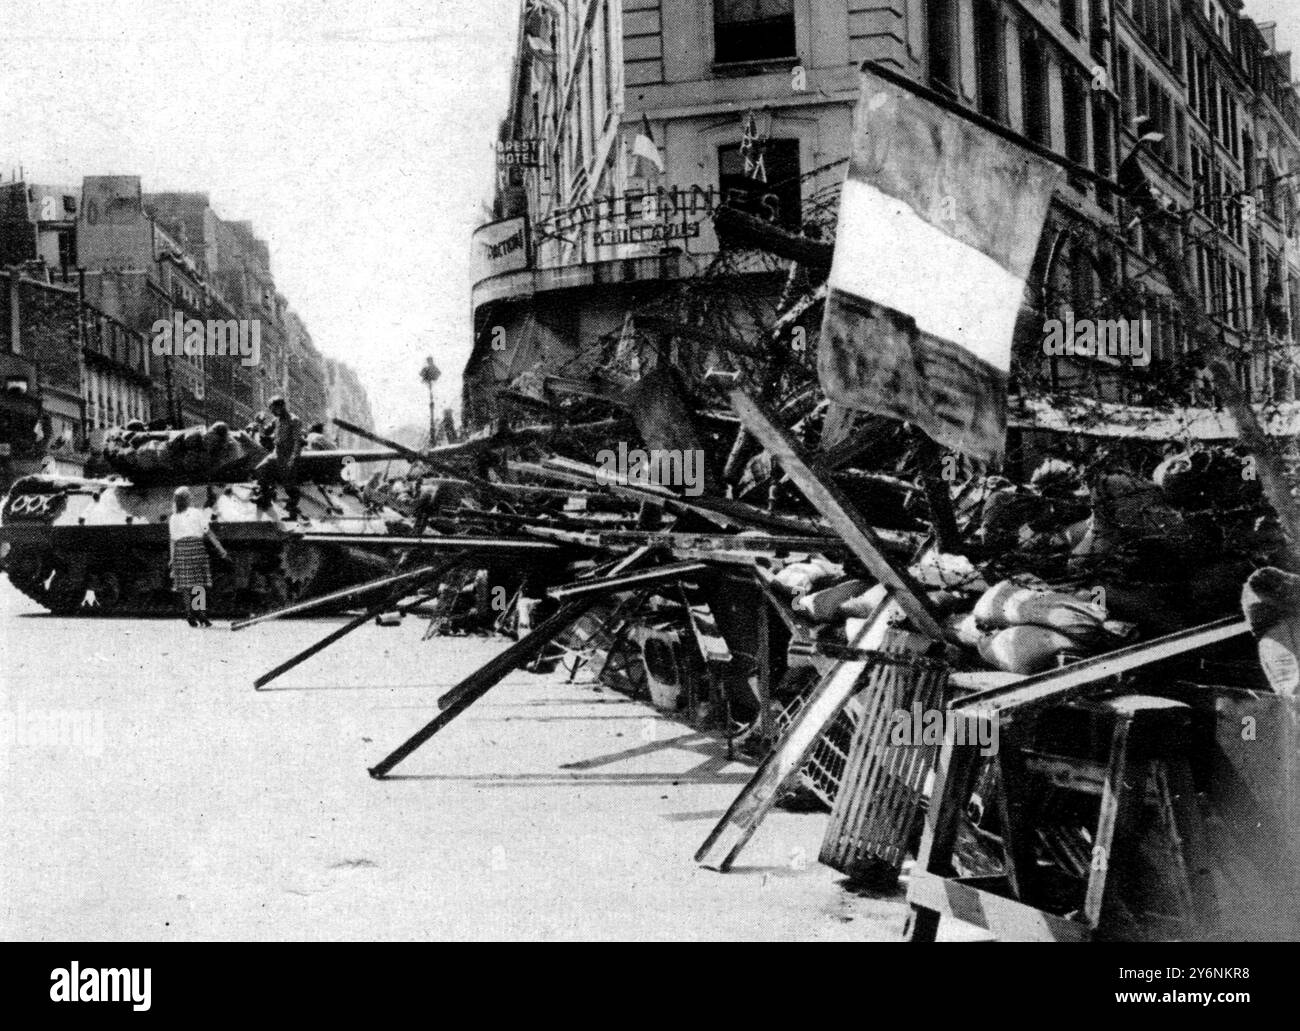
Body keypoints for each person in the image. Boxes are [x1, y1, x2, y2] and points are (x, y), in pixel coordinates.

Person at [169, 487, 228, 627]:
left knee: (185, 586)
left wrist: (172, 559)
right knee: (198, 585)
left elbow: (172, 539)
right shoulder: (196, 513)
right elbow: (208, 532)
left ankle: (190, 615)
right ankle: (201, 615)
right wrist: (221, 549)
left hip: (181, 550)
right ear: (188, 499)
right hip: (196, 549)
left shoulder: (173, 517)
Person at [254, 395, 302, 516]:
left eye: (273, 409)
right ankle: (265, 496)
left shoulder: (294, 420)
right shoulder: (277, 420)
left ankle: (292, 507)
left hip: (288, 455)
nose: (272, 412)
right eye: (271, 409)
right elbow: (265, 433)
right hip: (277, 453)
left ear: (281, 407)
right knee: (261, 469)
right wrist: (260, 423)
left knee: (288, 485)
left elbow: (297, 441)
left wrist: (293, 458)